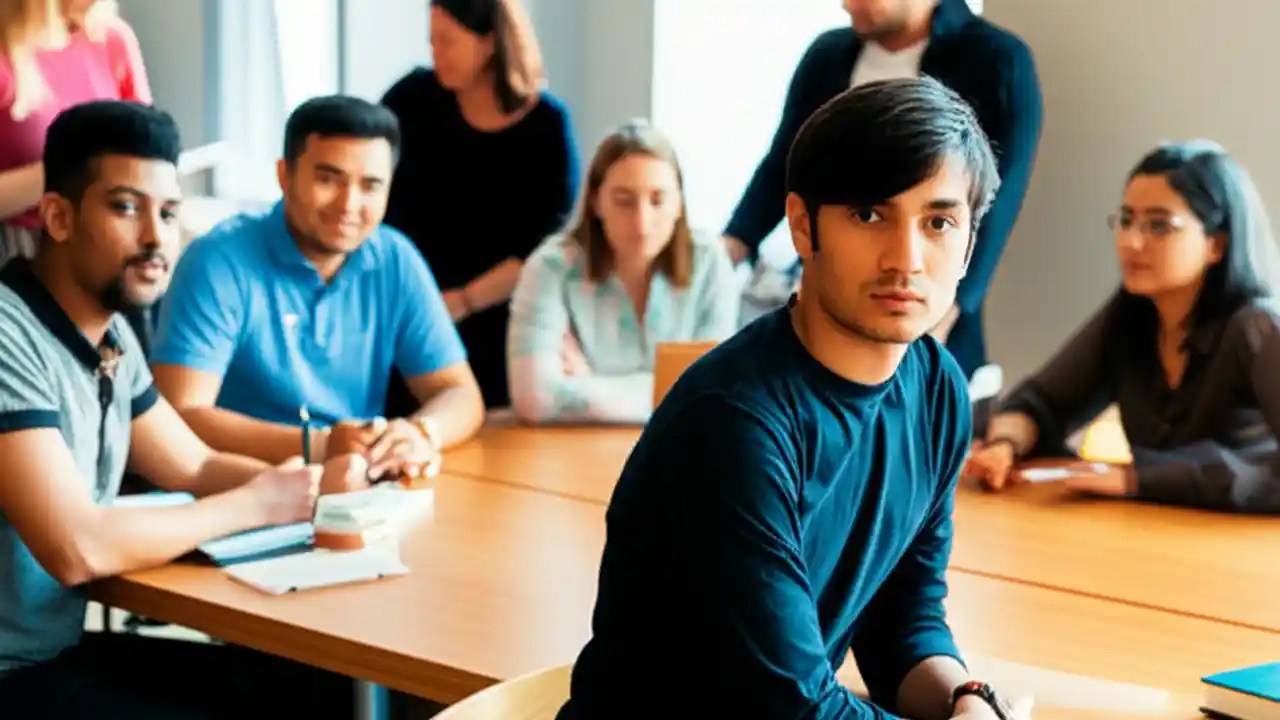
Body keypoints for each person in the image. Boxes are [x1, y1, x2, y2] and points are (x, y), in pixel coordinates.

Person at [559, 78, 1031, 718]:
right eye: (870, 214)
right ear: (803, 227)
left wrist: (967, 699)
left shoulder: (936, 386)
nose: (907, 258)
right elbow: (789, 706)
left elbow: (904, 616)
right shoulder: (735, 424)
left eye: (939, 221)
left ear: (970, 240)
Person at [0, 100, 369, 718]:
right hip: (13, 676)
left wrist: (313, 486)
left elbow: (192, 467)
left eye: (168, 212)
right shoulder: (10, 334)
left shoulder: (109, 335)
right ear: (58, 217)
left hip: (50, 658)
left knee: (306, 685)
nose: (156, 237)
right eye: (125, 207)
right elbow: (77, 546)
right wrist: (252, 504)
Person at [151, 95, 484, 481]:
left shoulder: (395, 258)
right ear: (284, 176)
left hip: (352, 488)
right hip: (237, 490)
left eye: (370, 186)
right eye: (328, 179)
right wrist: (320, 445)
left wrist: (420, 433)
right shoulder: (218, 261)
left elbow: (460, 393)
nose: (349, 204)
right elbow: (179, 417)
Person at [725, 0, 1042, 378]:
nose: (846, 4)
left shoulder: (998, 60)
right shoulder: (826, 56)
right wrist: (729, 246)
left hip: (934, 315)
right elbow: (783, 166)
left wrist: (944, 315)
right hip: (827, 311)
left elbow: (994, 205)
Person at [964, 142, 1280, 513]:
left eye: (1159, 225)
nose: (1131, 241)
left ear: (1217, 243)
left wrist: (1137, 477)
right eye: (1127, 220)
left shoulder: (1257, 327)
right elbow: (1042, 404)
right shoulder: (1131, 315)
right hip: (1151, 532)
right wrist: (1005, 445)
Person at [380, 0, 580, 410]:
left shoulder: (547, 126)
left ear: (489, 41)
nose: (436, 55)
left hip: (501, 317)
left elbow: (539, 246)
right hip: (412, 307)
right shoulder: (411, 100)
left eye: (448, 42)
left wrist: (463, 301)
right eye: (431, 42)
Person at [507, 120, 738, 425]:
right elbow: (533, 398)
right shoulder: (550, 268)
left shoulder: (710, 261)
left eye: (658, 200)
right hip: (569, 452)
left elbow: (720, 393)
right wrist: (671, 390)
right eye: (624, 201)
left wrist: (588, 386)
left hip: (682, 452)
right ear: (595, 201)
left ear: (679, 203)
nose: (642, 223)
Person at [0, 0, 150, 266]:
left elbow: (149, 159)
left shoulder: (113, 39)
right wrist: (71, 169)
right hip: (18, 254)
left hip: (110, 249)